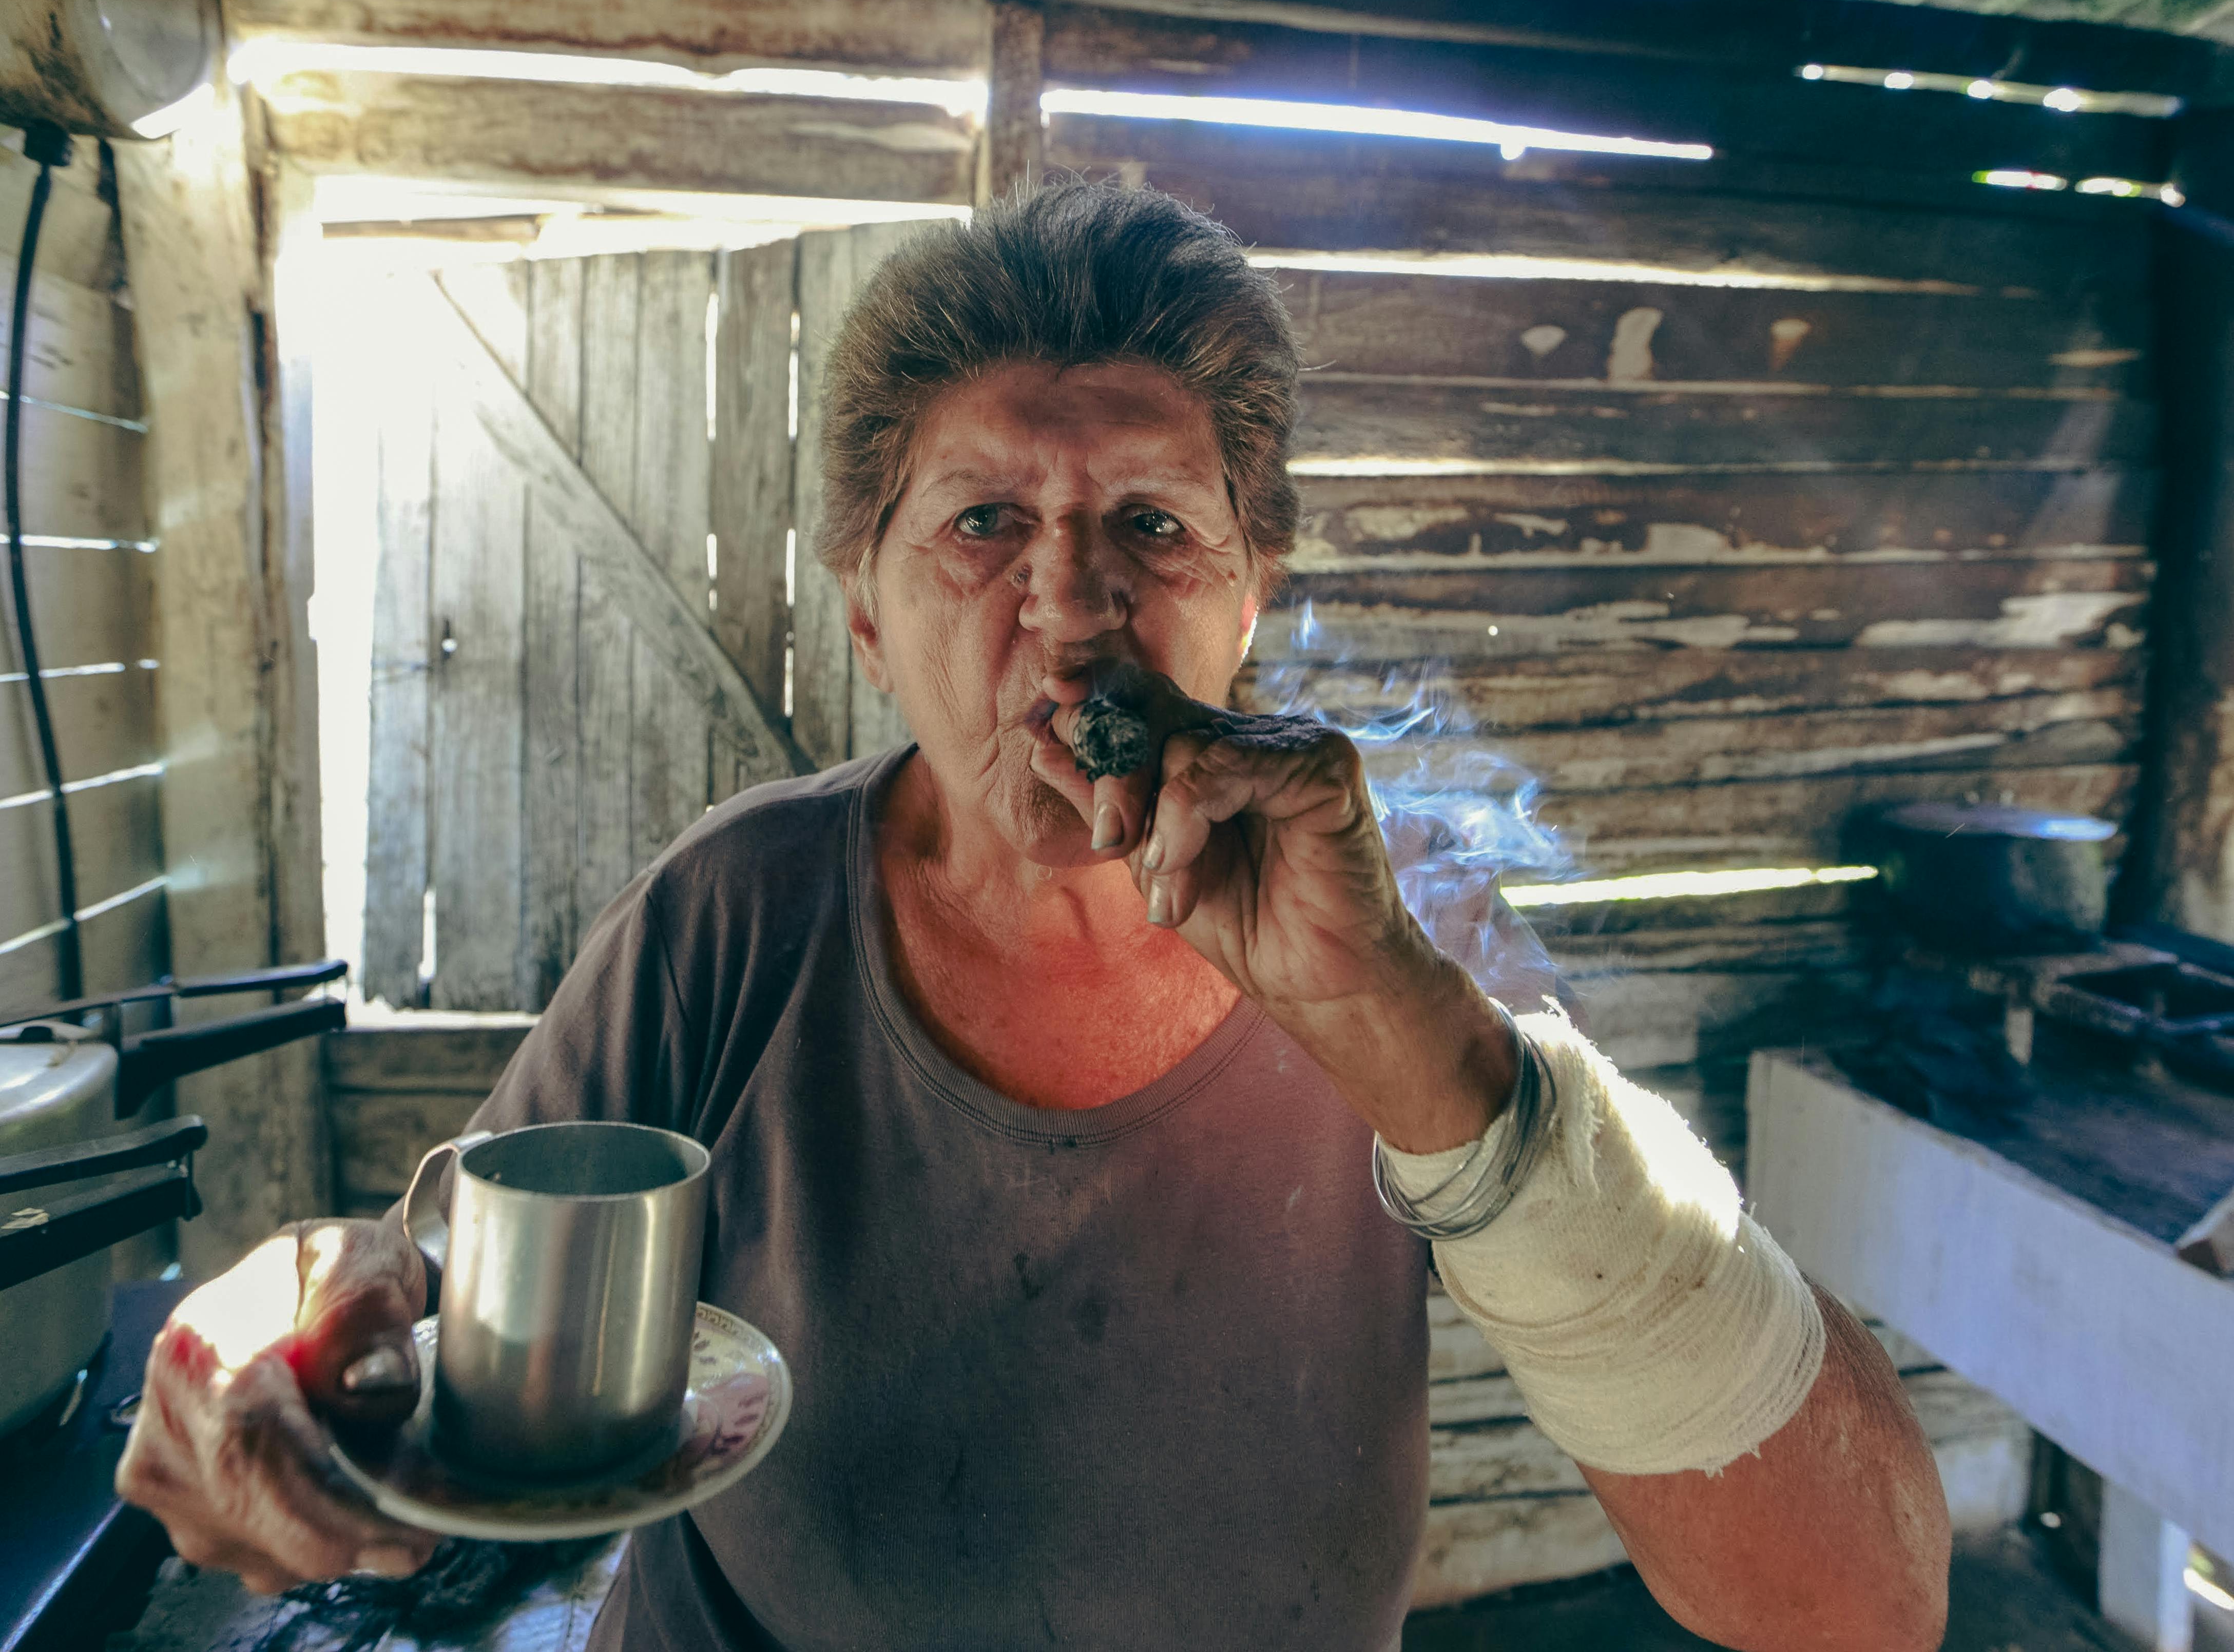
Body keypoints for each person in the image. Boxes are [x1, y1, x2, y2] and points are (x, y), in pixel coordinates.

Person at [118, 182, 1949, 1651]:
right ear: (865, 614)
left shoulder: (1408, 952)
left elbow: (1859, 1611)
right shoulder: (737, 914)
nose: (1072, 611)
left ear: (1254, 596)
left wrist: (1415, 1044)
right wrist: (273, 1338)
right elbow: (414, 1287)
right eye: (984, 522)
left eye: (1152, 527)